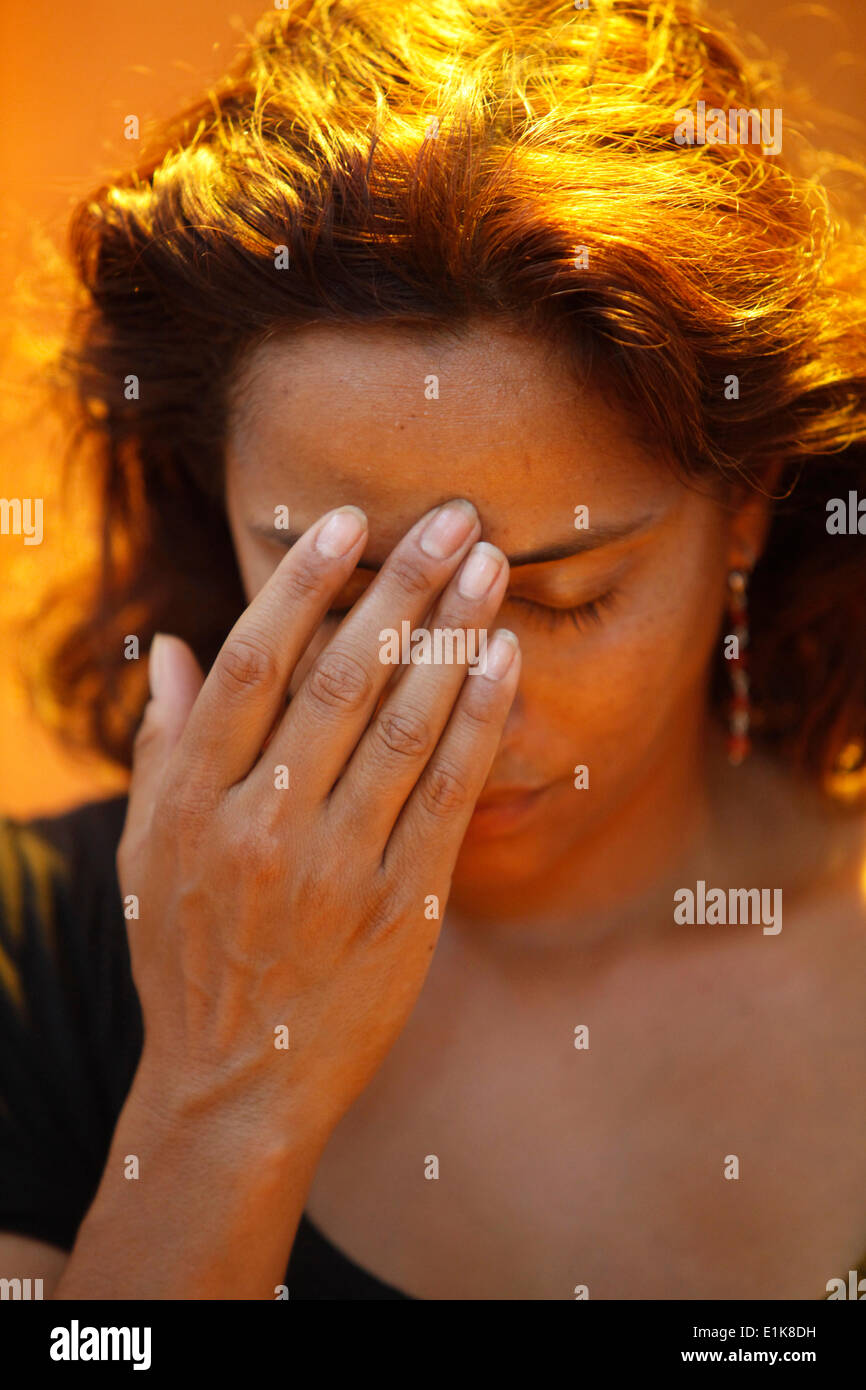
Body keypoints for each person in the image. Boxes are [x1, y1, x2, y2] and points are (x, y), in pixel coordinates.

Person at [1, 0, 865, 1300]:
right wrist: (221, 1099)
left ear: (745, 505)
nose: (448, 698)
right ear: (211, 499)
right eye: (340, 591)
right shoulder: (44, 959)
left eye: (563, 592)